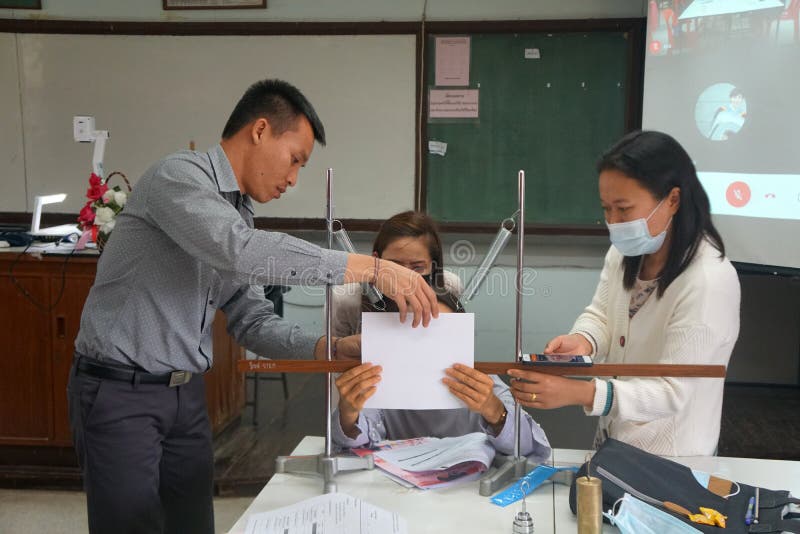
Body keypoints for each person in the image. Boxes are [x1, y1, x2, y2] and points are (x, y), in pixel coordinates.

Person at [67, 79, 439, 534]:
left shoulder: (237, 214)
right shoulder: (178, 177)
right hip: (121, 391)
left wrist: (331, 347)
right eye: (295, 159)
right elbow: (239, 250)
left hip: (184, 396)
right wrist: (371, 268)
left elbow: (251, 318)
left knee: (192, 524)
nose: (293, 179)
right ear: (260, 130)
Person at [508, 130, 740, 457]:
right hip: (616, 445)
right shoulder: (625, 253)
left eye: (624, 208)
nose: (613, 222)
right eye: (606, 208)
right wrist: (583, 341)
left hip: (672, 459)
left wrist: (582, 393)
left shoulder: (709, 281)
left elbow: (673, 392)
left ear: (673, 200)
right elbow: (603, 314)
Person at [331, 211, 551, 460]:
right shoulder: (383, 381)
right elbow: (354, 439)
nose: (406, 279)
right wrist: (348, 415)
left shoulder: (476, 379)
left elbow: (528, 444)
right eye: (394, 267)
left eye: (437, 331)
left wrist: (494, 411)